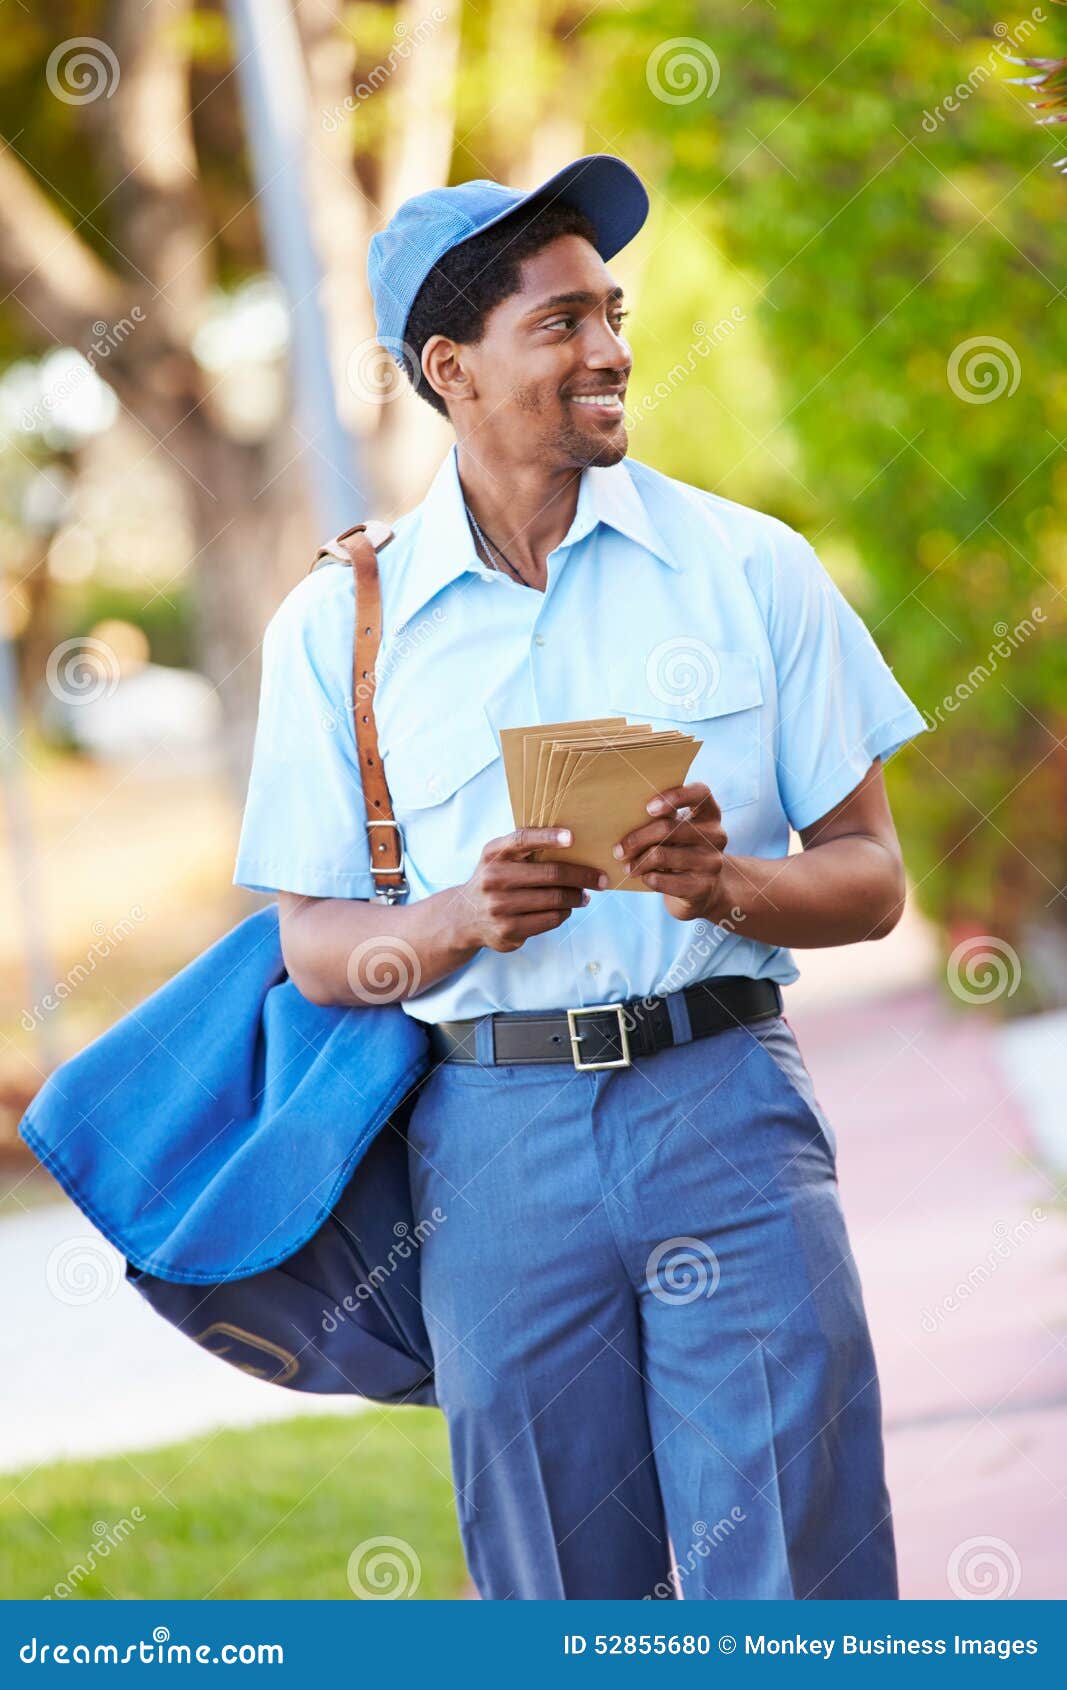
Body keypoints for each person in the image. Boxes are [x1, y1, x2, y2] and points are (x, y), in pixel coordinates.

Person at [234, 153, 928, 1601]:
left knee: (798, 1560)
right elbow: (313, 946)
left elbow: (870, 880)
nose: (611, 350)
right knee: (559, 1586)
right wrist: (458, 918)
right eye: (561, 323)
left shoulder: (749, 568)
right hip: (492, 1146)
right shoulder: (337, 631)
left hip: (728, 1108)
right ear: (451, 367)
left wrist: (726, 884)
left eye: (611, 313)